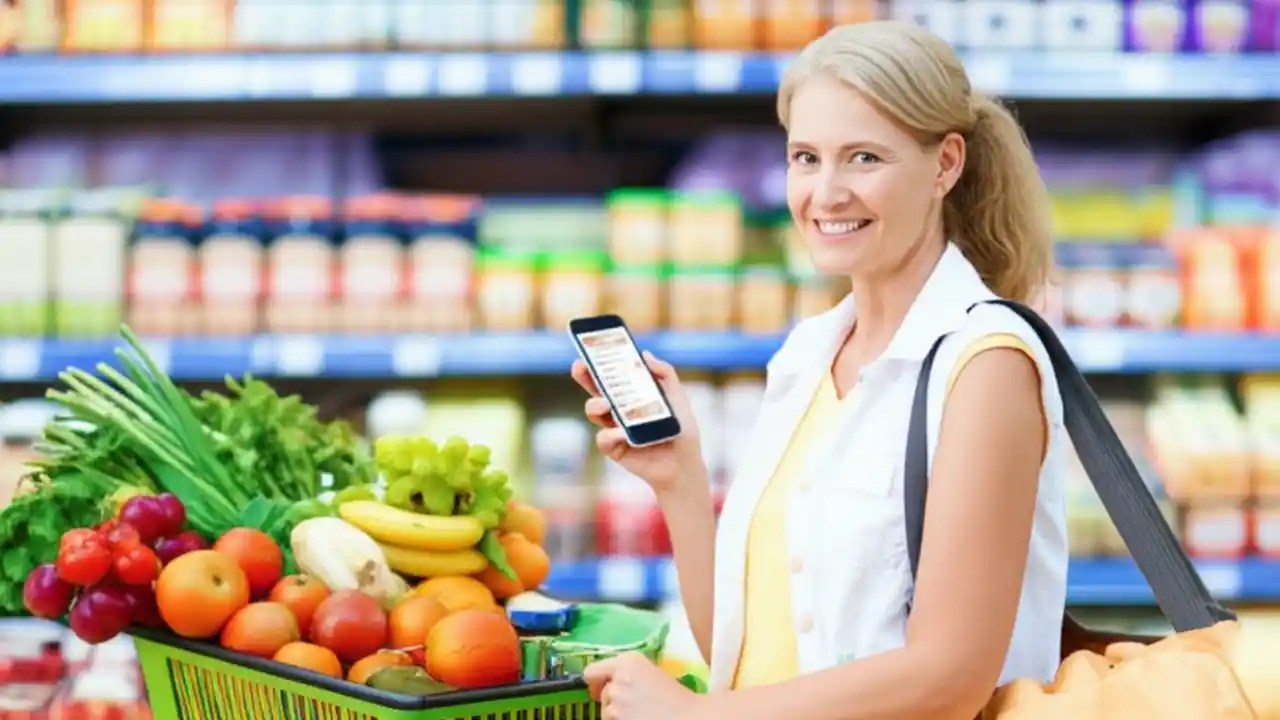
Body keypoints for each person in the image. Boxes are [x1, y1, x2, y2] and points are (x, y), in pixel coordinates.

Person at [572, 19, 1067, 720]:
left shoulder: (984, 365)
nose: (826, 194)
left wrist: (692, 716)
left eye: (863, 158)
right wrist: (681, 479)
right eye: (806, 158)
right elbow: (751, 659)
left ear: (945, 164)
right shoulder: (807, 355)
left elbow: (949, 676)